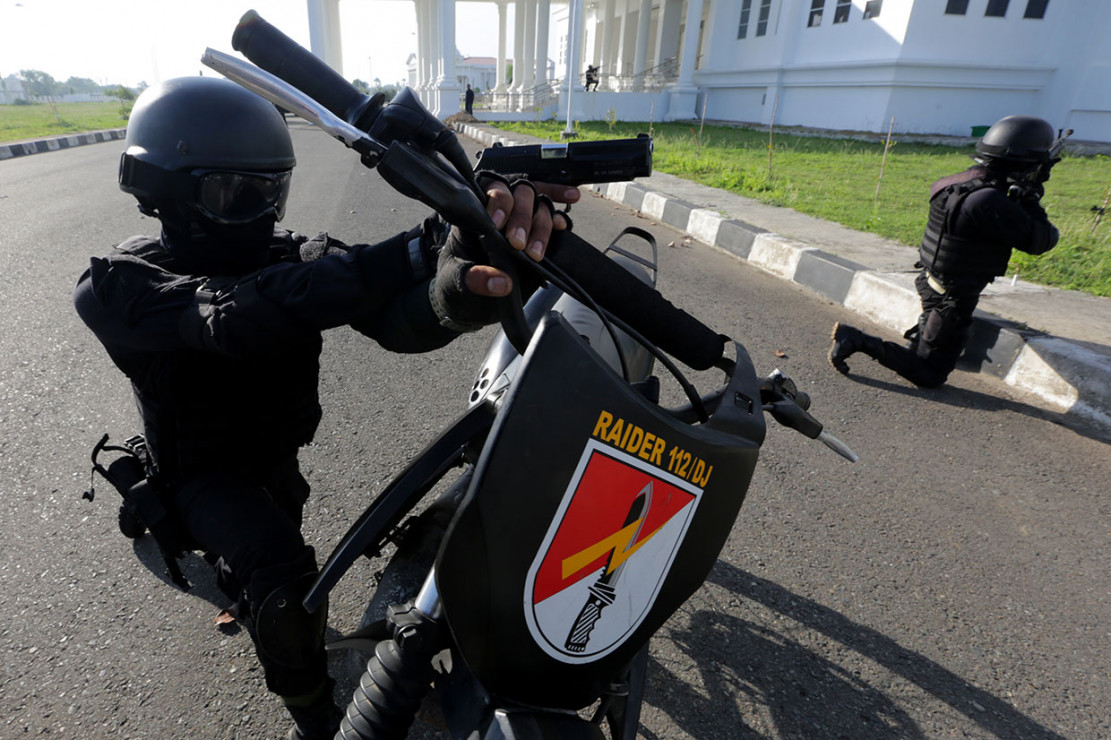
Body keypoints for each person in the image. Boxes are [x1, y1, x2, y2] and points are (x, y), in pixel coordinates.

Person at [73, 76, 577, 740]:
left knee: (269, 562)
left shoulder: (296, 261)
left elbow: (397, 320)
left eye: (270, 190)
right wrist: (420, 243)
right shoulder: (115, 289)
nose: (261, 213)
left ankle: (232, 573)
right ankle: (315, 711)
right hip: (202, 474)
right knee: (282, 581)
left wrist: (461, 284)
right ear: (161, 192)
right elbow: (231, 315)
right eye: (236, 194)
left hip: (276, 458)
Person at [828, 115, 1061, 389]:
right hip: (950, 297)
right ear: (1025, 162)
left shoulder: (957, 183)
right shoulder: (989, 201)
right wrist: (1032, 199)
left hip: (932, 281)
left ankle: (923, 343)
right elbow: (1041, 242)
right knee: (930, 375)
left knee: (930, 350)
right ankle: (856, 340)